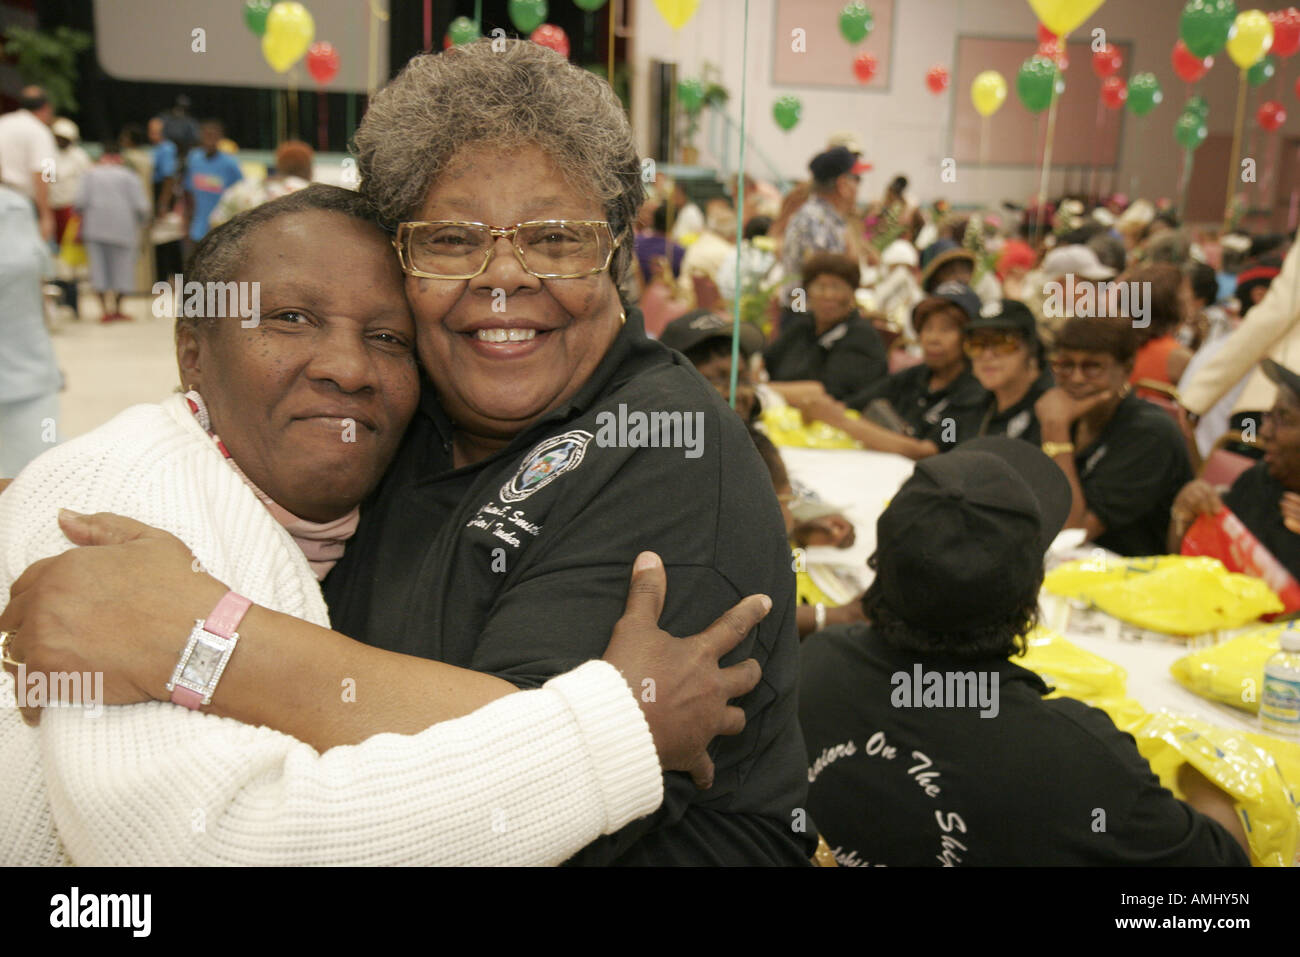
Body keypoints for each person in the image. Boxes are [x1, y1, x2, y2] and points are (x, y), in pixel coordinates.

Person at [4, 40, 816, 867]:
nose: (504, 279)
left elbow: (497, 809)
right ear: (403, 264)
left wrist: (194, 636)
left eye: (558, 237)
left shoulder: (664, 450)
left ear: (615, 254)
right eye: (454, 240)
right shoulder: (394, 408)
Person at [799, 436, 1251, 866]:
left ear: (878, 566)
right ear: (1031, 596)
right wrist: (1206, 775)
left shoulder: (812, 664)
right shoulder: (1074, 760)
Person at [1038, 317, 1194, 556]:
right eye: (1066, 365)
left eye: (1092, 367)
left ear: (1127, 369)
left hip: (1133, 576)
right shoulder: (1069, 411)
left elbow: (1070, 535)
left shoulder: (1150, 435)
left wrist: (1055, 433)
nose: (1077, 379)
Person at [1169, 359, 1300, 579]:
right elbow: (1185, 565)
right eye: (1269, 415)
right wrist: (1182, 515)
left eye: (1284, 419)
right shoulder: (1260, 479)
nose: (1265, 431)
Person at [843, 281, 987, 452]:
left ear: (969, 339)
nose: (933, 338)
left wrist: (843, 422)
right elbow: (853, 406)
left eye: (946, 329)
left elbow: (931, 451)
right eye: (928, 328)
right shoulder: (913, 376)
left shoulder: (973, 392)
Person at [764, 252, 887, 400]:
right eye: (820, 287)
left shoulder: (862, 337)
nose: (828, 295)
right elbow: (767, 360)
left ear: (852, 293)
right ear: (808, 292)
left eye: (837, 287)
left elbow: (825, 393)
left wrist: (762, 389)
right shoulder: (803, 326)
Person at [0, 178, 61, 478]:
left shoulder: (14, 206)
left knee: (31, 477)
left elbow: (38, 276)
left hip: (28, 372)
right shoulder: (15, 205)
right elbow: (38, 269)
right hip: (29, 369)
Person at [778, 146, 866, 310]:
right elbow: (825, 284)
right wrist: (803, 318)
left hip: (806, 313)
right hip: (807, 319)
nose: (858, 188)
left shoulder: (825, 219)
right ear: (842, 184)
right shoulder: (816, 222)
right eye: (857, 179)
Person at [75, 140, 151, 321]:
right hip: (123, 230)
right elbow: (141, 206)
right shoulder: (129, 176)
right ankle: (117, 308)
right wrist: (144, 222)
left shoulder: (89, 175)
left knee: (98, 270)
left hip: (95, 229)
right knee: (123, 270)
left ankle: (104, 311)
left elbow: (79, 203)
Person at [964, 298, 1053, 444]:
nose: (987, 355)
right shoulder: (975, 407)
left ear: (1031, 348)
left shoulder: (1049, 412)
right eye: (976, 344)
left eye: (1002, 342)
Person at [208, 139, 313, 228]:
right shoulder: (307, 193)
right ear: (307, 168)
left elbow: (216, 220)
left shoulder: (244, 186)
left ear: (278, 165)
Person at [0, 86, 57, 241]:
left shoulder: (3, 122)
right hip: (22, 204)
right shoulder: (41, 132)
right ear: (46, 108)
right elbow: (45, 175)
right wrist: (46, 214)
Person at [1127, 263, 1193, 393]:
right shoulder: (1179, 358)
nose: (1190, 296)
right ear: (1176, 303)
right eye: (1186, 291)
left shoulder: (1117, 344)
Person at [182, 119, 243, 245]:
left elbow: (240, 195)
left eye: (213, 136)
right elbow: (188, 194)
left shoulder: (230, 163)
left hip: (222, 232)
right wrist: (186, 225)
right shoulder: (194, 159)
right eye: (206, 135)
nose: (209, 140)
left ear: (220, 138)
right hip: (197, 230)